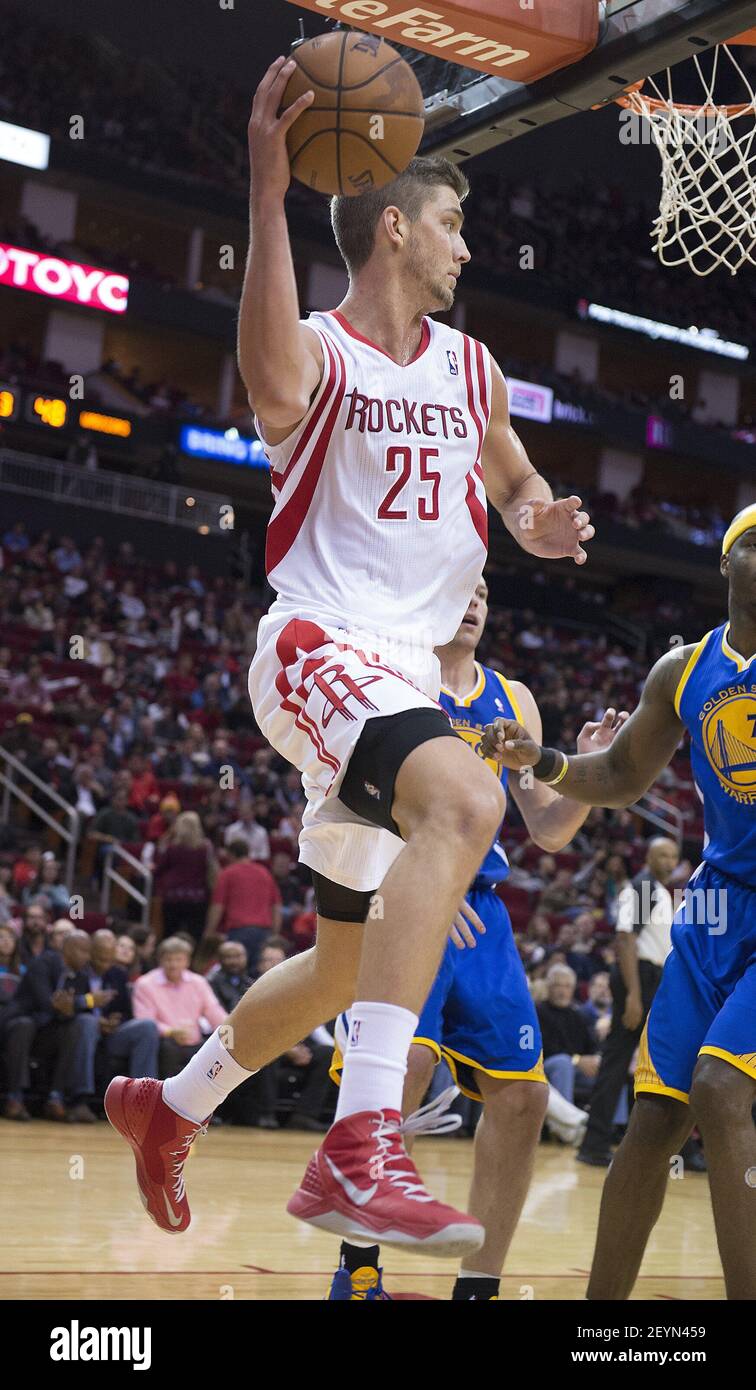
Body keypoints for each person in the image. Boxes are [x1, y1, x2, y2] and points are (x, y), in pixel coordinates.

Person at [105, 56, 594, 1250]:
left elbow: (516, 479)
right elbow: (267, 380)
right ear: (392, 228)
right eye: (451, 224)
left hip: (405, 677)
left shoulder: (472, 367)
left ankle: (168, 1104)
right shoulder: (322, 354)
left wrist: (537, 514)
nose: (467, 249)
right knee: (471, 800)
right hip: (322, 644)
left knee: (343, 967)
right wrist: (266, 186)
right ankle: (360, 1144)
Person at [481, 503, 756, 1300]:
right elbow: (625, 777)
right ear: (726, 563)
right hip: (715, 909)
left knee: (721, 1087)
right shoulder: (681, 671)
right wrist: (553, 763)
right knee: (653, 1121)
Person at [327, 579, 624, 1298]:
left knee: (522, 1100)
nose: (475, 599)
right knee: (406, 1072)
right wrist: (414, 879)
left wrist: (584, 772)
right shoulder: (395, 677)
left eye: (486, 590)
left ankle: (479, 1290)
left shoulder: (513, 699)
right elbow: (346, 797)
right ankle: (358, 1277)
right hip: (405, 888)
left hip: (482, 912)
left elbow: (548, 827)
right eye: (460, 587)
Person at [577, 837, 679, 1168]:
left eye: (673, 856)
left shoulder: (660, 891)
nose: (669, 861)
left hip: (654, 977)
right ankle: (594, 1144)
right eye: (662, 855)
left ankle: (666, 1146)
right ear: (648, 857)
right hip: (638, 978)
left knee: (646, 1061)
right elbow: (625, 939)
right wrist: (634, 995)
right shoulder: (643, 887)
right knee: (618, 1061)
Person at [60, 930, 159, 1121]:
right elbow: (67, 1006)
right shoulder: (76, 971)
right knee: (87, 1022)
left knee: (146, 1027)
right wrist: (96, 1019)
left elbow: (126, 1014)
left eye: (109, 959)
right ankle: (81, 1099)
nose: (104, 965)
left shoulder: (118, 974)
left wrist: (114, 1022)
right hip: (80, 1030)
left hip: (111, 1034)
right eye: (99, 959)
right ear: (90, 953)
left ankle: (145, 1101)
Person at [131, 937, 226, 1079]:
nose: (173, 965)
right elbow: (145, 1020)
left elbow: (214, 1011)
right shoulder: (145, 984)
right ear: (160, 960)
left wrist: (230, 1032)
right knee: (168, 1049)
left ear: (187, 961)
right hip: (164, 1040)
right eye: (169, 959)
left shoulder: (198, 982)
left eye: (179, 959)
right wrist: (170, 1032)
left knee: (217, 1050)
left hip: (194, 1040)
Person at [203, 839, 282, 968]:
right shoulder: (264, 873)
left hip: (238, 932)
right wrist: (274, 933)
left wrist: (209, 931)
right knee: (260, 976)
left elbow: (217, 906)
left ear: (231, 855)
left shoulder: (227, 873)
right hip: (263, 931)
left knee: (236, 972)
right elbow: (276, 906)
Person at [536, 964, 600, 1107]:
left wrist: (594, 1059)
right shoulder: (538, 1011)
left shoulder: (578, 1014)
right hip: (546, 1067)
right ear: (549, 987)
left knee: (609, 1069)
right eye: (558, 986)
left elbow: (591, 1046)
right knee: (563, 1063)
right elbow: (545, 1048)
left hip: (577, 1068)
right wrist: (576, 1060)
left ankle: (612, 1125)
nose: (562, 991)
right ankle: (565, 1125)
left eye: (567, 986)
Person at [153, 812, 217, 946]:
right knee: (195, 935)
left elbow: (159, 869)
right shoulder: (205, 847)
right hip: (198, 898)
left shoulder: (172, 847)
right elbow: (211, 870)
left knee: (170, 933)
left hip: (173, 897)